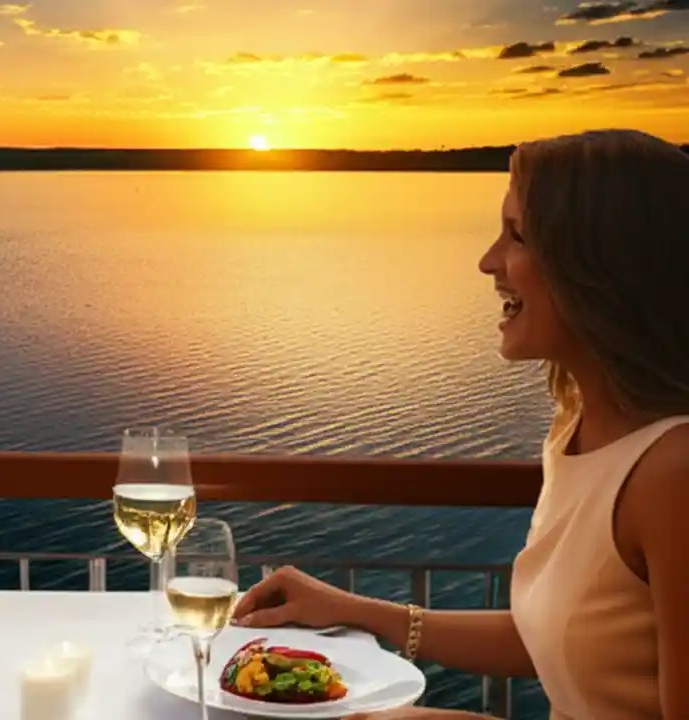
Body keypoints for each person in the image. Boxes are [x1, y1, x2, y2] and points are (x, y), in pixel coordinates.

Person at [231, 129, 689, 719]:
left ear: (599, 267)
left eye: (517, 236)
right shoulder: (578, 427)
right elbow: (565, 642)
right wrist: (352, 609)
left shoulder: (672, 475)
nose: (487, 261)